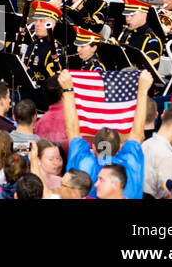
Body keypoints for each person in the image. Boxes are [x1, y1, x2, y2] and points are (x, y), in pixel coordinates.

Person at [58, 67, 153, 198]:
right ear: (120, 146)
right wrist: (142, 90)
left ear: (93, 147)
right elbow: (137, 134)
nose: (97, 183)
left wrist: (68, 90)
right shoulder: (130, 162)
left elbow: (72, 130)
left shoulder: (84, 162)